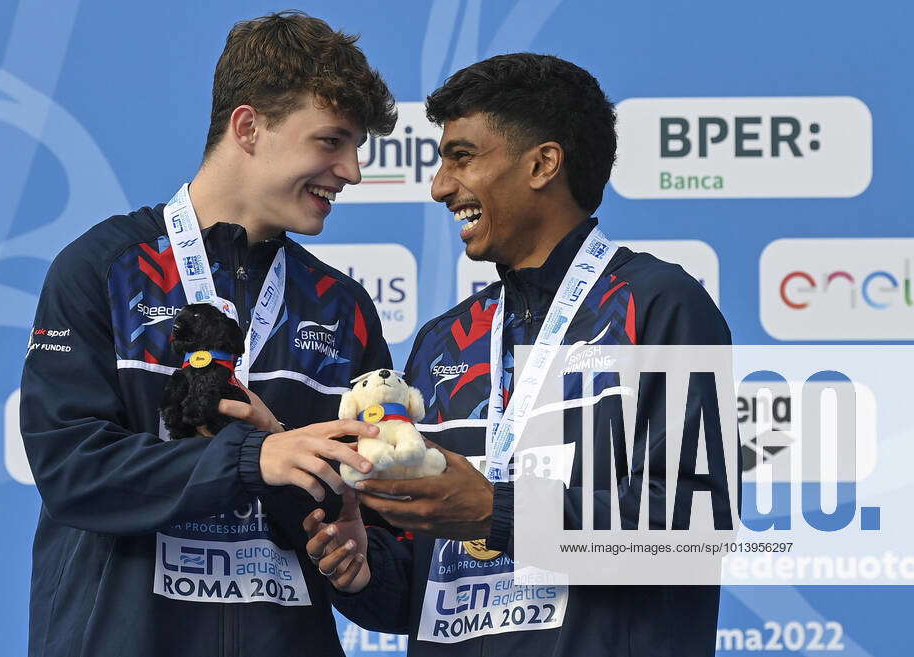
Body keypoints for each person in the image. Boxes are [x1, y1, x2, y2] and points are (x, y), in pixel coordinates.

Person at [303, 53, 733, 656]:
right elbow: (424, 586)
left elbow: (692, 527)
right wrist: (363, 568)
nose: (440, 186)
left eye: (462, 157)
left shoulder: (658, 304)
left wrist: (493, 511)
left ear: (542, 164)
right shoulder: (442, 340)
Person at [20, 12, 397, 657]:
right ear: (248, 127)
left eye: (356, 148)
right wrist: (252, 459)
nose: (353, 172)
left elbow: (375, 538)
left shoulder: (345, 309)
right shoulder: (104, 268)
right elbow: (70, 468)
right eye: (331, 142)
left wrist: (347, 541)